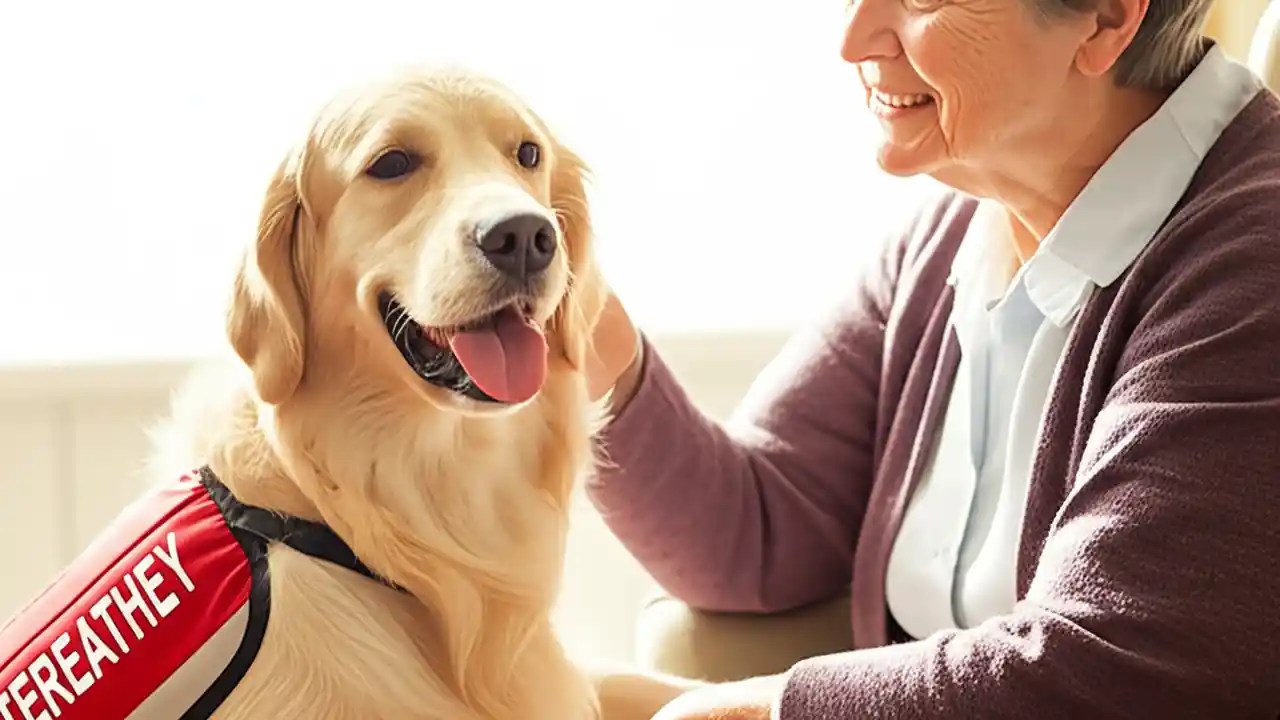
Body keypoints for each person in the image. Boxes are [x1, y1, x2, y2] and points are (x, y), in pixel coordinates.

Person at [583, 0, 1280, 718]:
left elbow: (1093, 668)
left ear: (1104, 18)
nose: (854, 40)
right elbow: (757, 527)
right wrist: (583, 327)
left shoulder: (1253, 268)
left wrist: (753, 712)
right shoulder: (958, 227)